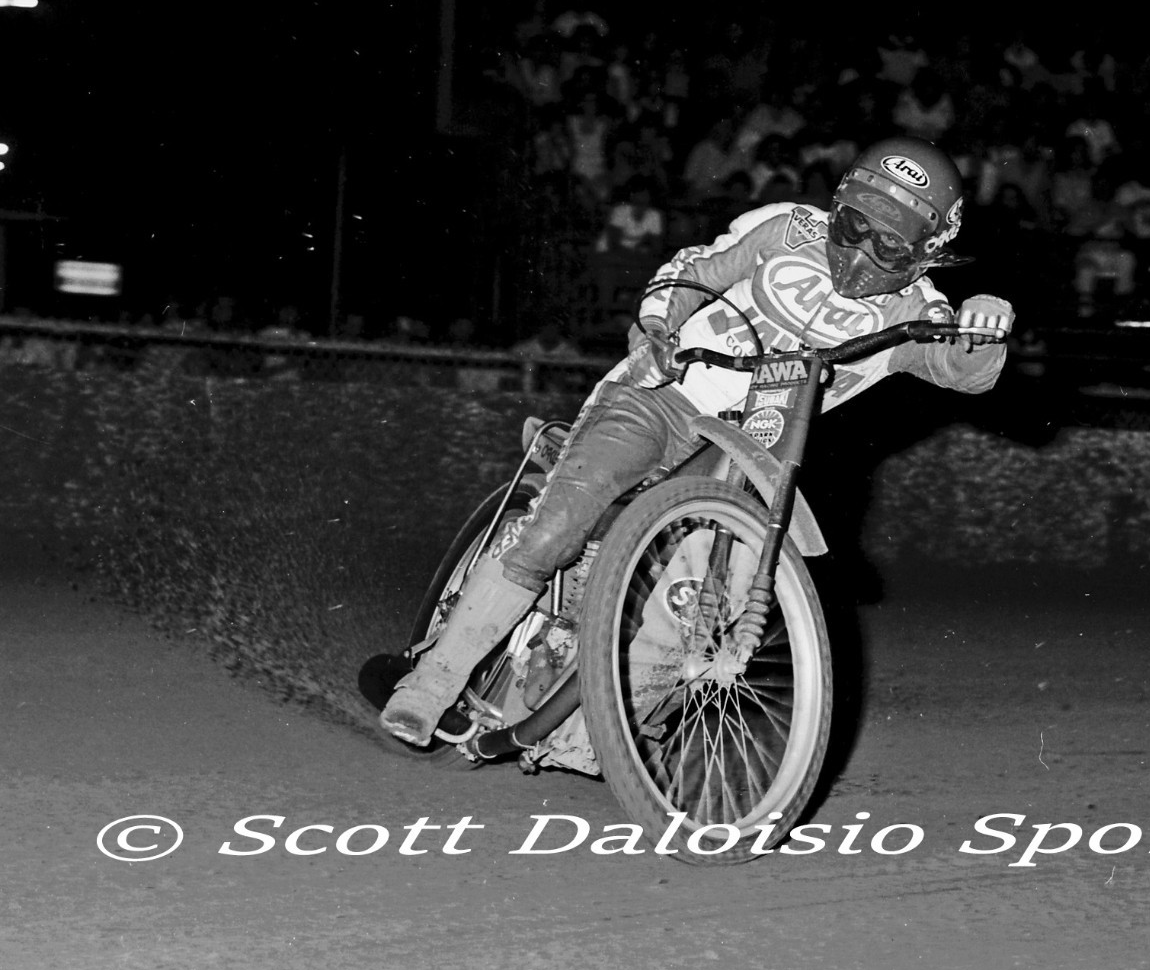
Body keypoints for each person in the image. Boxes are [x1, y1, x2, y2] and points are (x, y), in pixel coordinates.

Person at [380, 138, 1015, 747]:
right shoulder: (785, 228)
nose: (860, 252)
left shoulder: (918, 314)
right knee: (556, 529)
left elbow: (966, 371)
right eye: (851, 226)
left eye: (890, 247)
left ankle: (606, 732)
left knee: (706, 599)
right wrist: (657, 328)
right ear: (837, 203)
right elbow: (691, 272)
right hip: (664, 398)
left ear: (929, 252)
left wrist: (985, 325)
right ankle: (431, 683)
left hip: (751, 452)